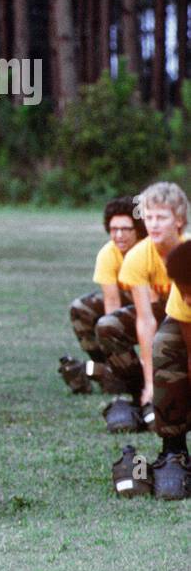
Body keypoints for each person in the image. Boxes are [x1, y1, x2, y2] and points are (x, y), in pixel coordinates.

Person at [96, 182, 189, 407]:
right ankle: (144, 392)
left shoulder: (188, 250)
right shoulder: (138, 256)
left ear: (178, 220)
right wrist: (149, 383)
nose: (154, 224)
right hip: (163, 310)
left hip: (186, 313)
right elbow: (145, 319)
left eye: (161, 217)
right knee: (109, 325)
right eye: (149, 217)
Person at [60, 197, 145, 394]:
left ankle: (126, 374)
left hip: (157, 305)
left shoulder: (148, 250)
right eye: (114, 230)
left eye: (126, 229)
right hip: (129, 301)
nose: (119, 235)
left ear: (138, 229)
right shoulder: (108, 254)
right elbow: (112, 305)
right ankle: (108, 369)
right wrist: (114, 350)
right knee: (81, 308)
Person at [148, 240, 191, 499]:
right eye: (182, 291)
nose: (186, 298)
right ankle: (174, 449)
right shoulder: (184, 277)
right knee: (166, 342)